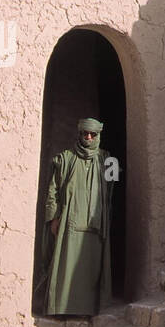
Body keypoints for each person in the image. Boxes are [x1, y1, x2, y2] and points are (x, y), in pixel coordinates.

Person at [42, 117, 115, 316]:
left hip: (95, 224)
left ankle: (88, 310)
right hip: (69, 223)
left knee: (90, 271)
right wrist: (53, 218)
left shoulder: (109, 161)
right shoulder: (65, 159)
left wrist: (107, 220)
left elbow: (113, 193)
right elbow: (53, 190)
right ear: (79, 134)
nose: (88, 137)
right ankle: (62, 310)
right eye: (85, 133)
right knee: (66, 269)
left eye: (93, 134)